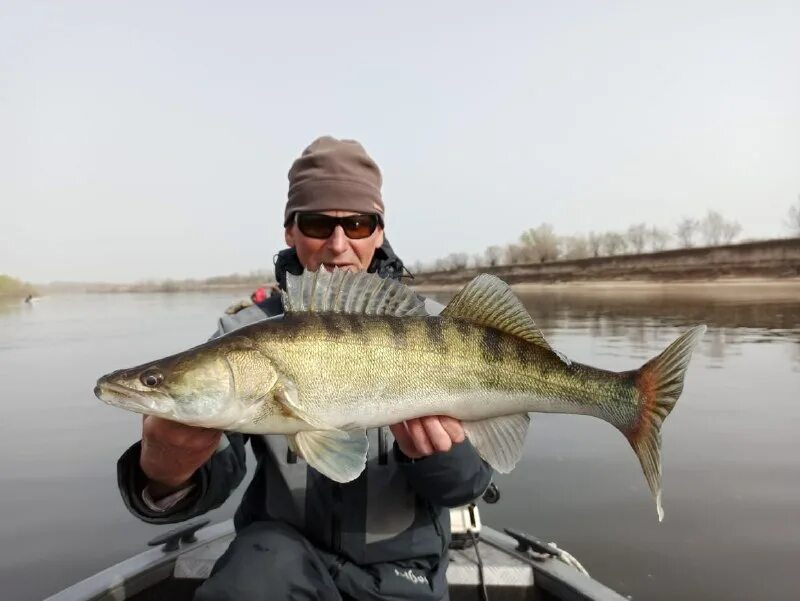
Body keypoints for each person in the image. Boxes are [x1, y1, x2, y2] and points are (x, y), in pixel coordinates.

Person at [117, 136, 493, 601]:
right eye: (317, 223)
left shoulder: (438, 328)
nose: (338, 246)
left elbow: (467, 486)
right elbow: (217, 471)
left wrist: (440, 456)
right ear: (290, 230)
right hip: (280, 562)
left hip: (403, 572)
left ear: (379, 231)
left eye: (357, 224)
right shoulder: (244, 332)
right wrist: (167, 473)